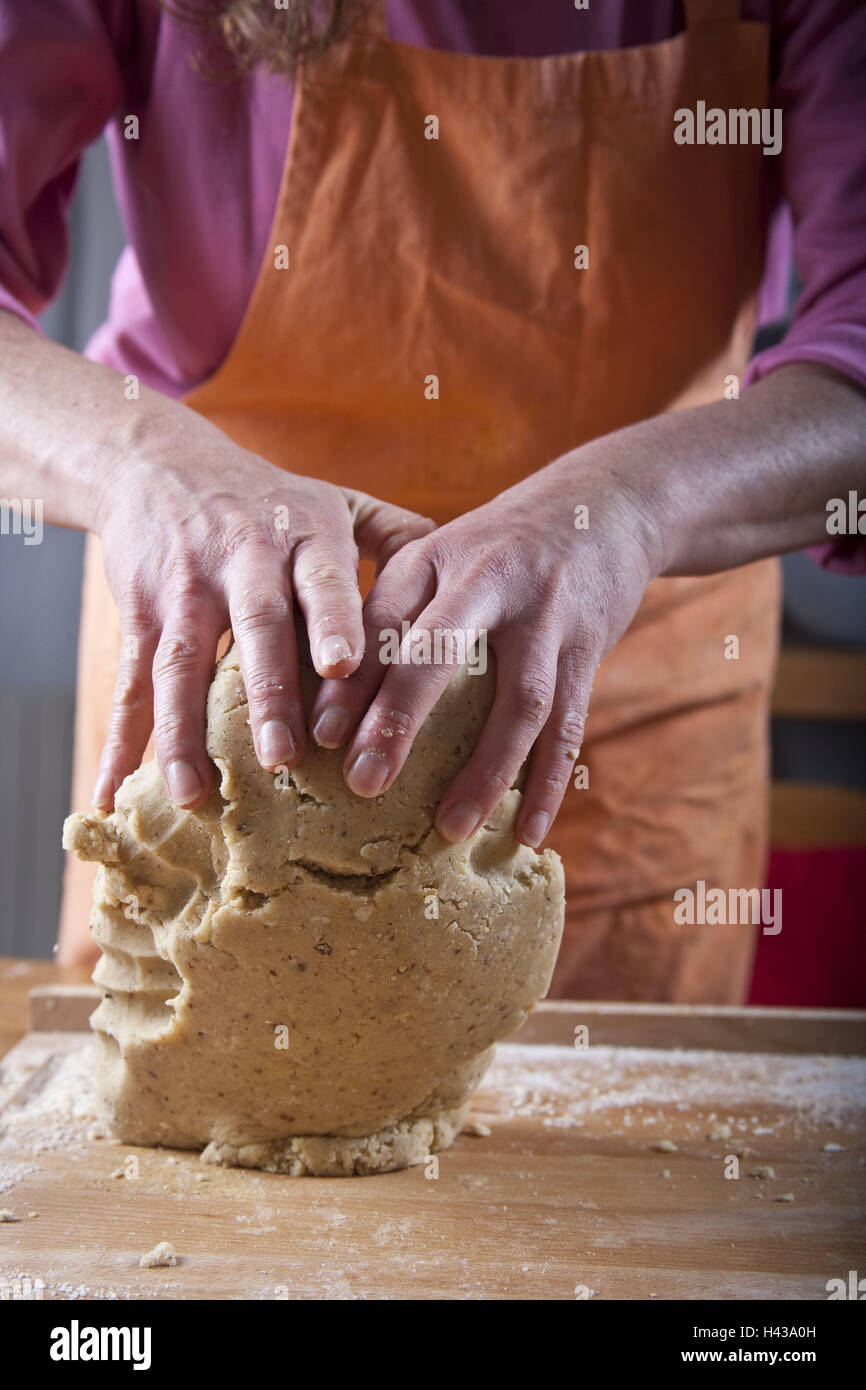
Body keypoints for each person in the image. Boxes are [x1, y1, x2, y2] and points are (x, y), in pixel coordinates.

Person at [1, 0, 864, 998]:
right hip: (222, 657)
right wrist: (141, 462)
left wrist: (626, 509)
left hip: (614, 699)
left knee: (599, 1133)